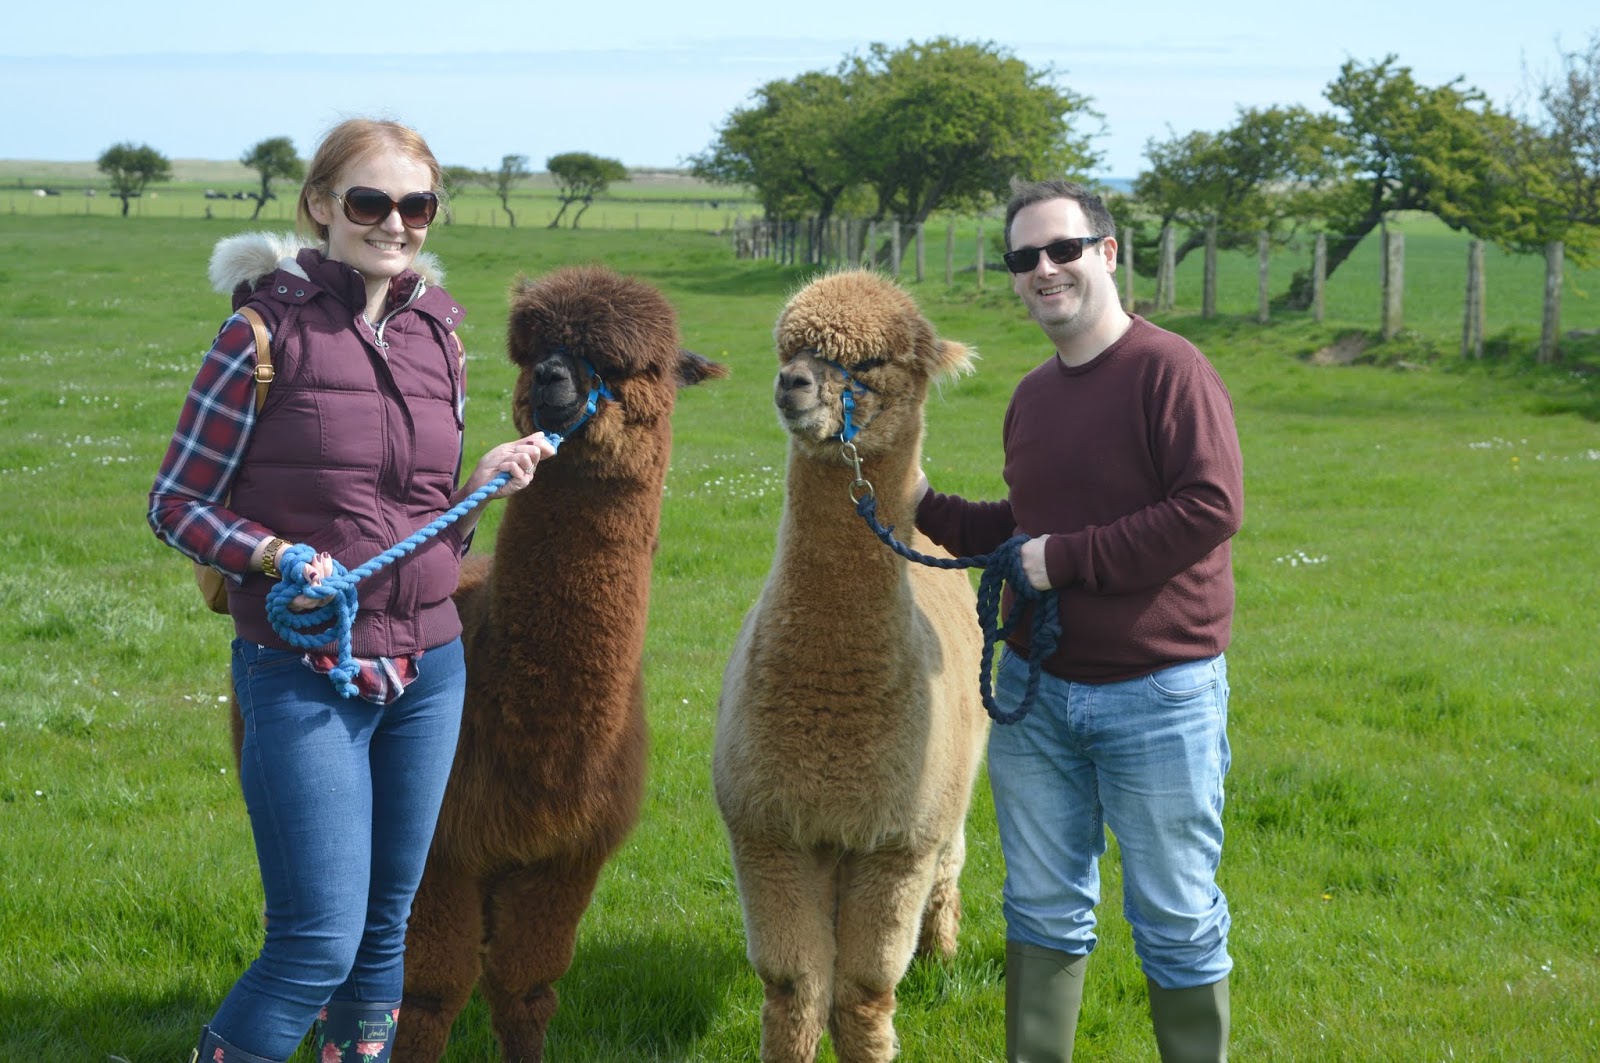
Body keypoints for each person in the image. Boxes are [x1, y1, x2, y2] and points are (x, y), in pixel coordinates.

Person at [148, 118, 557, 1063]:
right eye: (371, 202)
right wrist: (273, 555)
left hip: (431, 665)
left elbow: (415, 521)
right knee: (315, 942)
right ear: (322, 208)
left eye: (417, 205)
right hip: (302, 665)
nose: (396, 223)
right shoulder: (259, 333)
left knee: (387, 932)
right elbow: (176, 504)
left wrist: (480, 485)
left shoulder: (438, 337)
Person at [914, 178, 1243, 1063]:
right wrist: (920, 504)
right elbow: (1023, 528)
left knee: (1173, 911)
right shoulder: (1033, 396)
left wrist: (1064, 561)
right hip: (1036, 692)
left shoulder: (1168, 370)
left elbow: (1209, 507)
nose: (1044, 269)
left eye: (1062, 249)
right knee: (1042, 905)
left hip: (1157, 693)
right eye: (1025, 258)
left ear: (1106, 252)